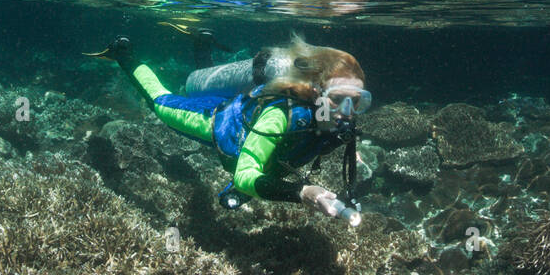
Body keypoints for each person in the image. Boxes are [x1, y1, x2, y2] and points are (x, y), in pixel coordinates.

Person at [87, 34, 370, 222]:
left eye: (357, 102)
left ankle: (202, 47)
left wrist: (353, 152)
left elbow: (326, 136)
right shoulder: (280, 116)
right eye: (337, 100)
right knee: (161, 103)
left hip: (242, 104)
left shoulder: (335, 118)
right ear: (315, 92)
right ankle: (124, 54)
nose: (346, 113)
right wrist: (302, 192)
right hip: (215, 119)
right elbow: (245, 174)